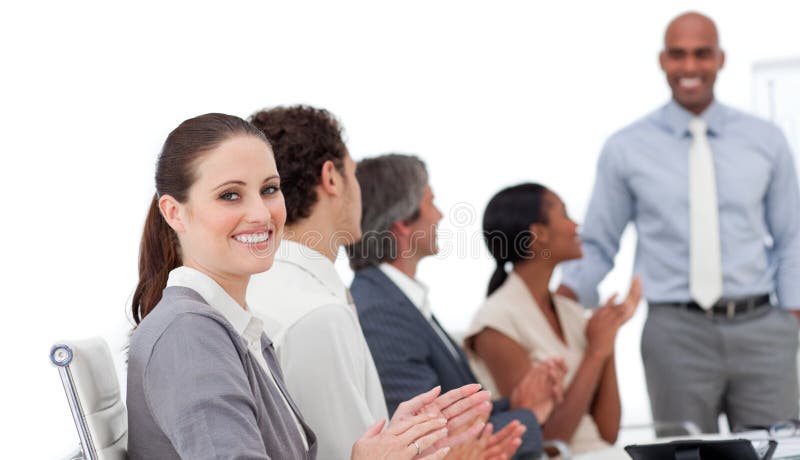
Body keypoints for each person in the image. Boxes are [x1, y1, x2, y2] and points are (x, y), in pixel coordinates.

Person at [126, 113, 455, 459]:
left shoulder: (241, 331)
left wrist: (393, 443)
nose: (260, 214)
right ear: (174, 213)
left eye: (269, 189)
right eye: (230, 195)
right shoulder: (189, 334)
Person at [558, 11, 800, 434]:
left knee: (778, 450)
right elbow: (598, 243)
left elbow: (791, 235)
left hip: (762, 330)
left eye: (702, 54)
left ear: (720, 59)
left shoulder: (766, 140)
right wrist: (561, 302)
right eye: (678, 55)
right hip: (674, 334)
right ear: (662, 60)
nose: (690, 67)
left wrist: (791, 315)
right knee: (681, 453)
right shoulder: (625, 148)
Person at [247, 106, 495, 459]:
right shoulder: (316, 314)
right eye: (353, 174)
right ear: (331, 178)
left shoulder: (276, 289)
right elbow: (344, 452)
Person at [347, 155, 566, 459]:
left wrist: (514, 404)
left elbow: (451, 414)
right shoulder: (382, 311)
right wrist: (529, 413)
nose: (439, 215)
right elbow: (431, 442)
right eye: (430, 202)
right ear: (403, 224)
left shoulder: (400, 300)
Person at [464, 183, 641, 454]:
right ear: (539, 234)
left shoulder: (570, 312)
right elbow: (546, 440)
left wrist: (608, 336)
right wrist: (595, 351)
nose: (576, 225)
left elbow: (607, 432)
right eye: (565, 214)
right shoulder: (495, 321)